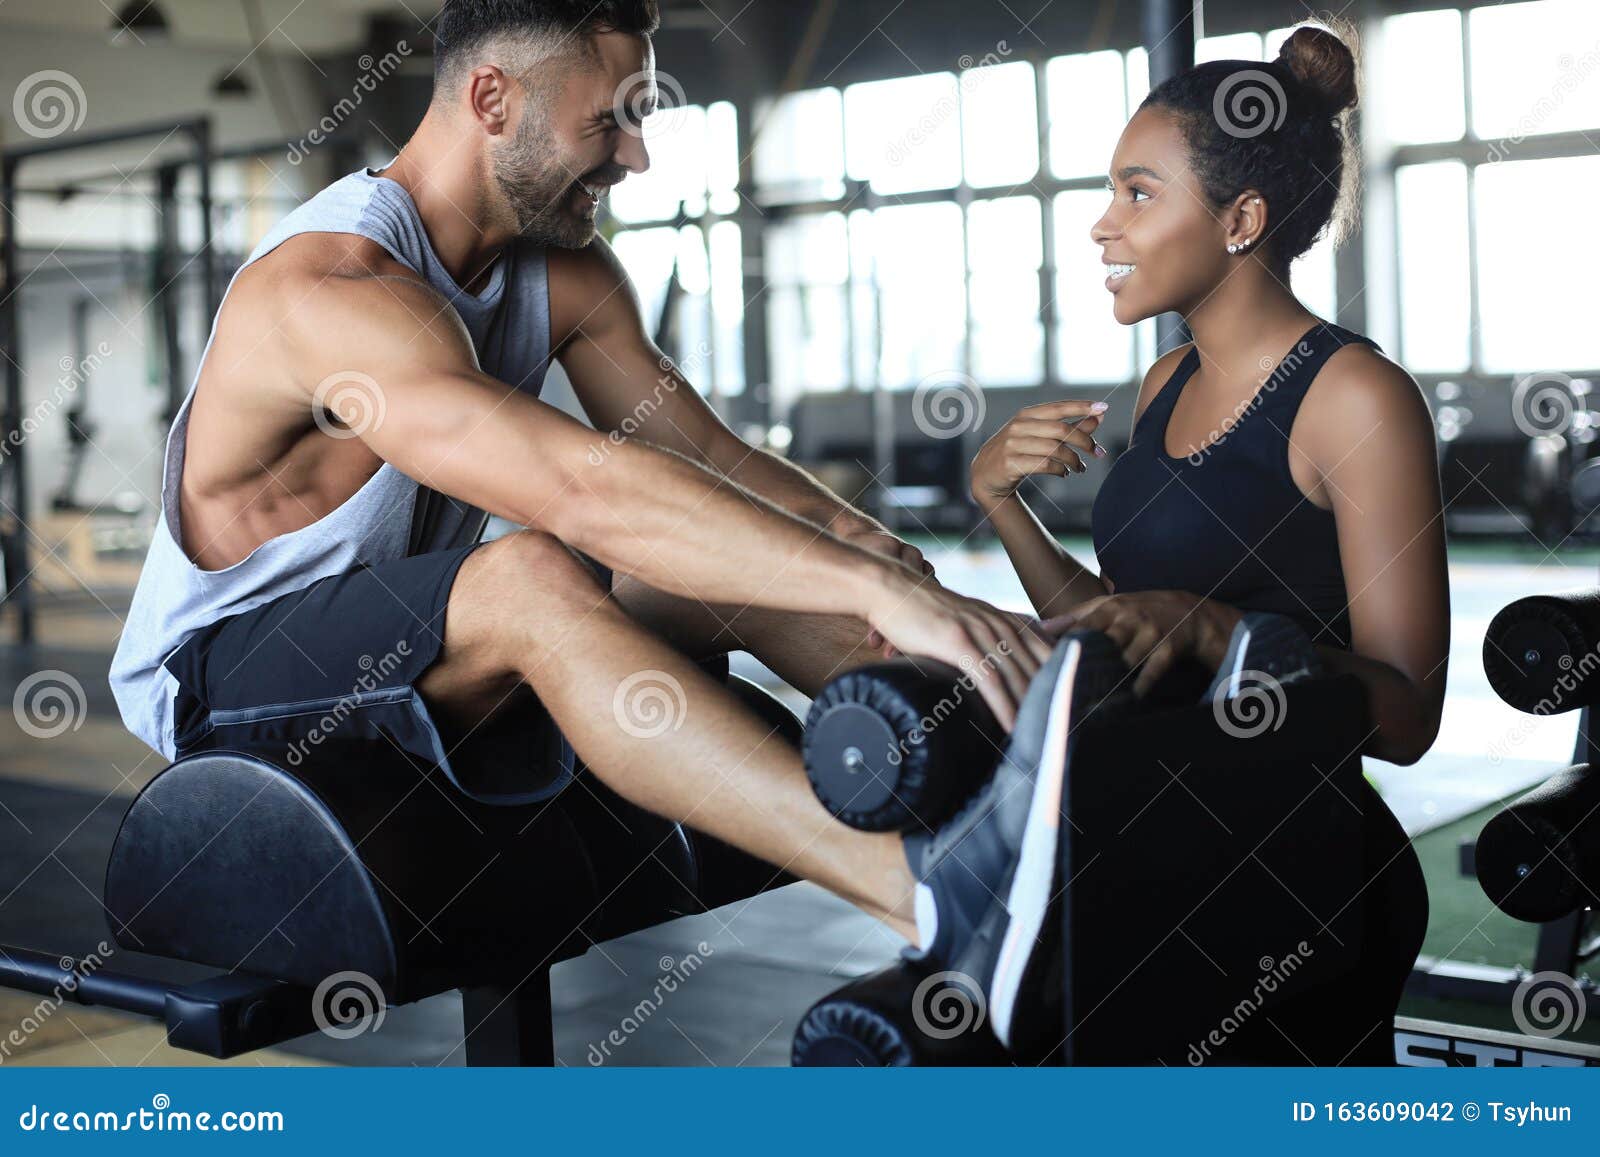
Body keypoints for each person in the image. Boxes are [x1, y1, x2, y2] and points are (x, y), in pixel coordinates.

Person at [108, 0, 1083, 1051]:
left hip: (406, 663)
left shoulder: (561, 272)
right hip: (229, 691)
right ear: (493, 98)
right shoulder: (329, 291)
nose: (638, 156)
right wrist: (868, 587)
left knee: (735, 567)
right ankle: (934, 898)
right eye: (610, 120)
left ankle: (1042, 794)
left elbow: (708, 462)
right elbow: (580, 490)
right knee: (533, 573)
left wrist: (900, 575)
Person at [969, 21, 1445, 1062]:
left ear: (1241, 218)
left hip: (1303, 882)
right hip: (1150, 863)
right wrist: (1001, 500)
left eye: (1137, 193)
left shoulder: (1354, 397)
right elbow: (1119, 622)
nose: (1102, 226)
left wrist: (1227, 630)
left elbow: (1407, 712)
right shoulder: (1163, 384)